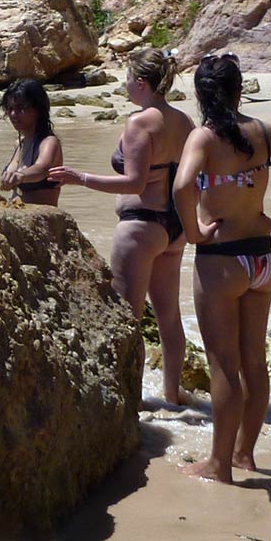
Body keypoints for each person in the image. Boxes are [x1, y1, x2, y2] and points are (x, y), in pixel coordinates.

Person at [172, 52, 271, 482]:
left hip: (221, 261)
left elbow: (183, 186)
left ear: (200, 95)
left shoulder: (203, 138)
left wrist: (195, 232)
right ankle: (244, 455)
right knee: (254, 362)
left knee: (223, 364)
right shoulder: (262, 132)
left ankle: (219, 466)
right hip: (262, 257)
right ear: (240, 90)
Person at [50, 49, 194, 404]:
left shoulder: (139, 123)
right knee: (169, 316)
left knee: (125, 317)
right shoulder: (184, 122)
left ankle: (131, 401)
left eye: (127, 79)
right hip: (175, 228)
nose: (125, 85)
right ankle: (172, 395)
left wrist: (79, 178)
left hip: (141, 227)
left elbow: (133, 182)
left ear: (140, 83)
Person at [0, 78, 63, 207]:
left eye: (21, 108)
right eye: (10, 108)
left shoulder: (49, 142)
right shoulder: (19, 143)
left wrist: (20, 176)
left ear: (38, 109)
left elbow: (42, 168)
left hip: (44, 222)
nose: (13, 114)